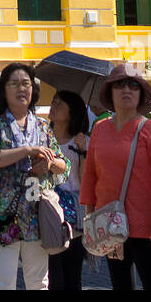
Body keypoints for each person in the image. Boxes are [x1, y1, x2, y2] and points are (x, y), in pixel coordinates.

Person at [81, 64, 151, 291]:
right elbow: (90, 174)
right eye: (120, 85)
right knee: (120, 284)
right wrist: (89, 215)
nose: (126, 90)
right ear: (110, 93)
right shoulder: (100, 129)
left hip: (146, 225)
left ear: (141, 93)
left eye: (133, 85)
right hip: (109, 224)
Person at [0, 62, 69, 291]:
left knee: (39, 283)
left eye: (26, 84)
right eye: (14, 84)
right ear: (3, 90)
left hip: (36, 217)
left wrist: (49, 164)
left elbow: (65, 165)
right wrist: (28, 151)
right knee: (3, 283)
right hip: (4, 216)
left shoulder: (42, 127)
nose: (22, 89)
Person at [46, 89, 89, 290]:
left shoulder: (81, 141)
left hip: (75, 217)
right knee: (53, 275)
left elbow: (86, 180)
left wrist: (82, 152)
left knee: (73, 276)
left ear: (71, 113)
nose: (53, 106)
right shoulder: (42, 138)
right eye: (53, 102)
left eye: (60, 104)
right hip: (48, 213)